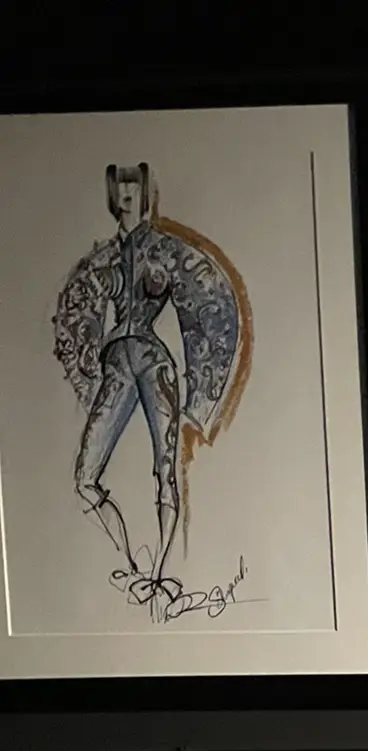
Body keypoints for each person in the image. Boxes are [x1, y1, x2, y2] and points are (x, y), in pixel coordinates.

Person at [53, 163, 242, 611]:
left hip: (155, 364)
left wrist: (201, 391)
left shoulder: (166, 249)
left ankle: (158, 572)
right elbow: (78, 311)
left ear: (145, 191)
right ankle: (135, 569)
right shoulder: (101, 257)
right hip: (117, 364)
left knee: (165, 470)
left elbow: (208, 299)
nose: (126, 193)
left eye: (133, 185)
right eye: (120, 185)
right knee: (85, 478)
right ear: (111, 194)